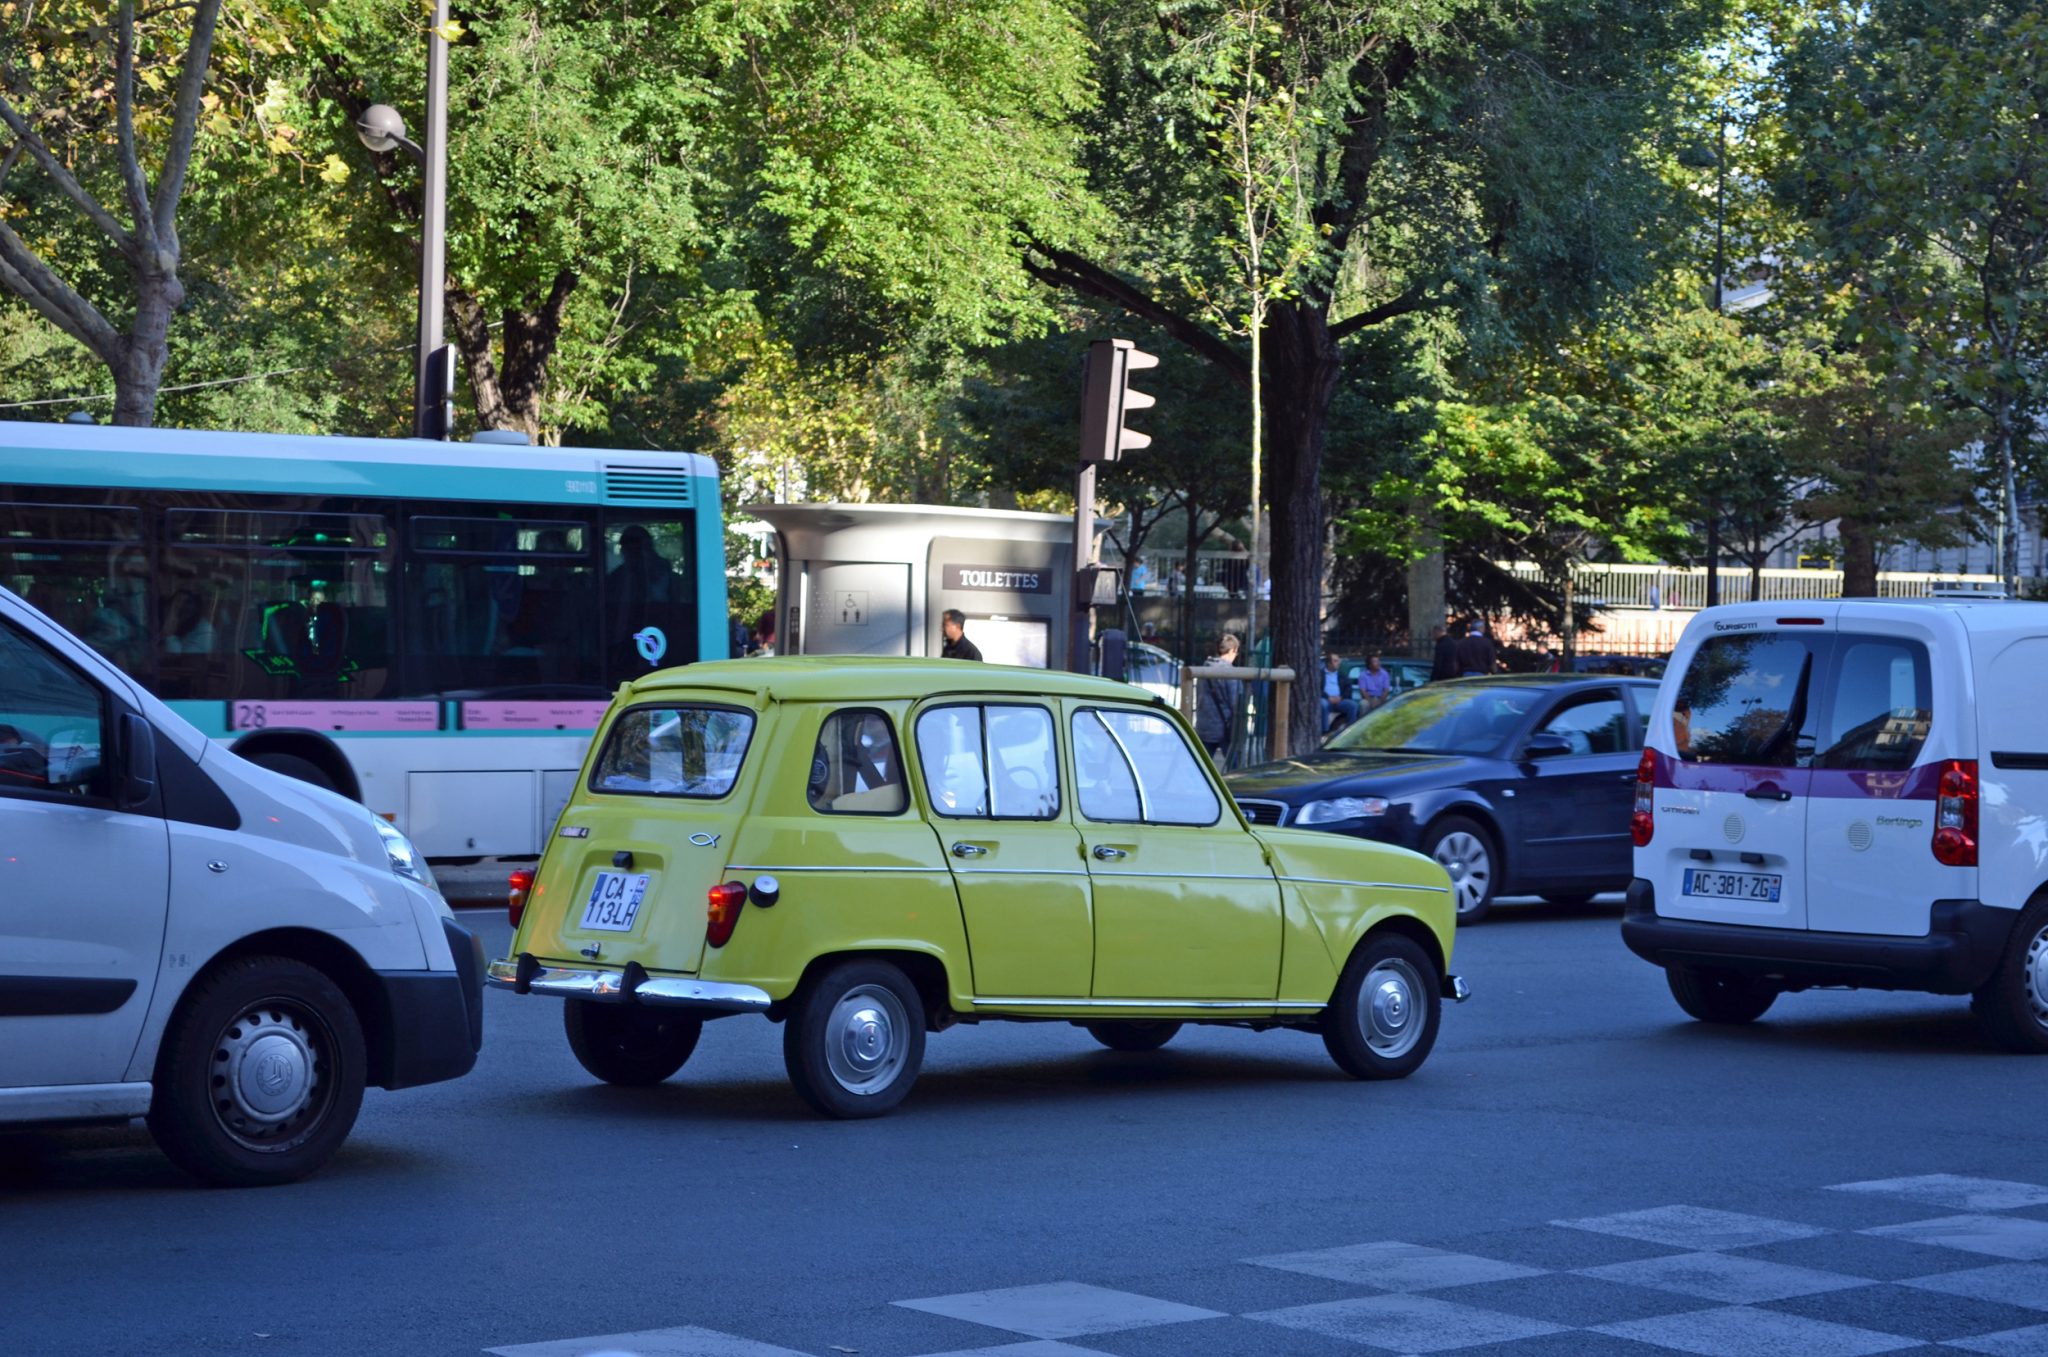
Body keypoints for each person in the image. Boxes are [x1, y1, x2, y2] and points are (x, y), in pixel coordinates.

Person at [1195, 633, 1241, 761]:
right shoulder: (1230, 672)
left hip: (1204, 724)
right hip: (1224, 727)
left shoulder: (1204, 668)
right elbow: (1235, 702)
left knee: (1202, 765)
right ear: (1232, 650)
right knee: (1234, 765)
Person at [1321, 651, 1360, 731]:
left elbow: (1348, 690)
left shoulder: (1343, 675)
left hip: (1340, 701)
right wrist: (1328, 698)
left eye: (1338, 661)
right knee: (1323, 704)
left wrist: (1341, 698)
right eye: (1335, 661)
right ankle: (1324, 732)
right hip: (1326, 700)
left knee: (1352, 705)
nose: (1338, 663)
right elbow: (1317, 690)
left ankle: (1351, 731)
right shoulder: (1320, 675)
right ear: (1328, 663)